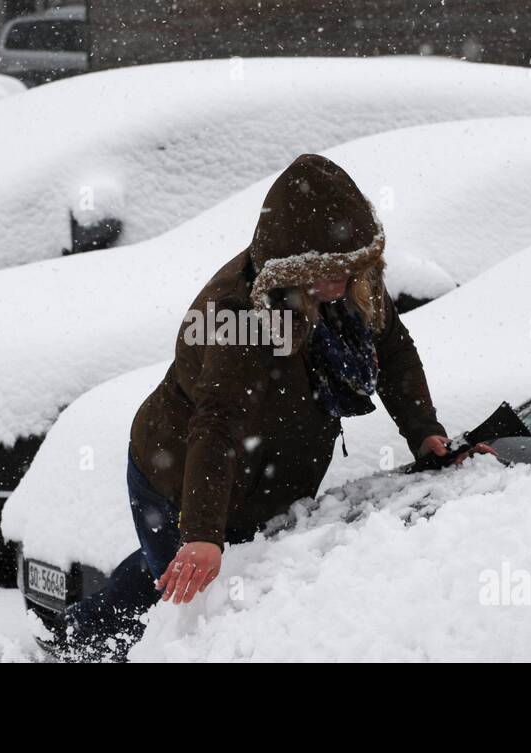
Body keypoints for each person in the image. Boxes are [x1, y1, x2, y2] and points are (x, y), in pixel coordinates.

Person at [59, 153, 493, 659]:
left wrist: (424, 432)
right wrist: (202, 534)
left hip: (267, 478)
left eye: (347, 270)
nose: (338, 285)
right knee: (192, 605)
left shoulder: (353, 280)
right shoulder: (235, 315)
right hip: (181, 476)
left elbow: (393, 350)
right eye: (324, 273)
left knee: (169, 571)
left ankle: (83, 630)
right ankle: (97, 648)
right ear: (290, 266)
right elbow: (216, 424)